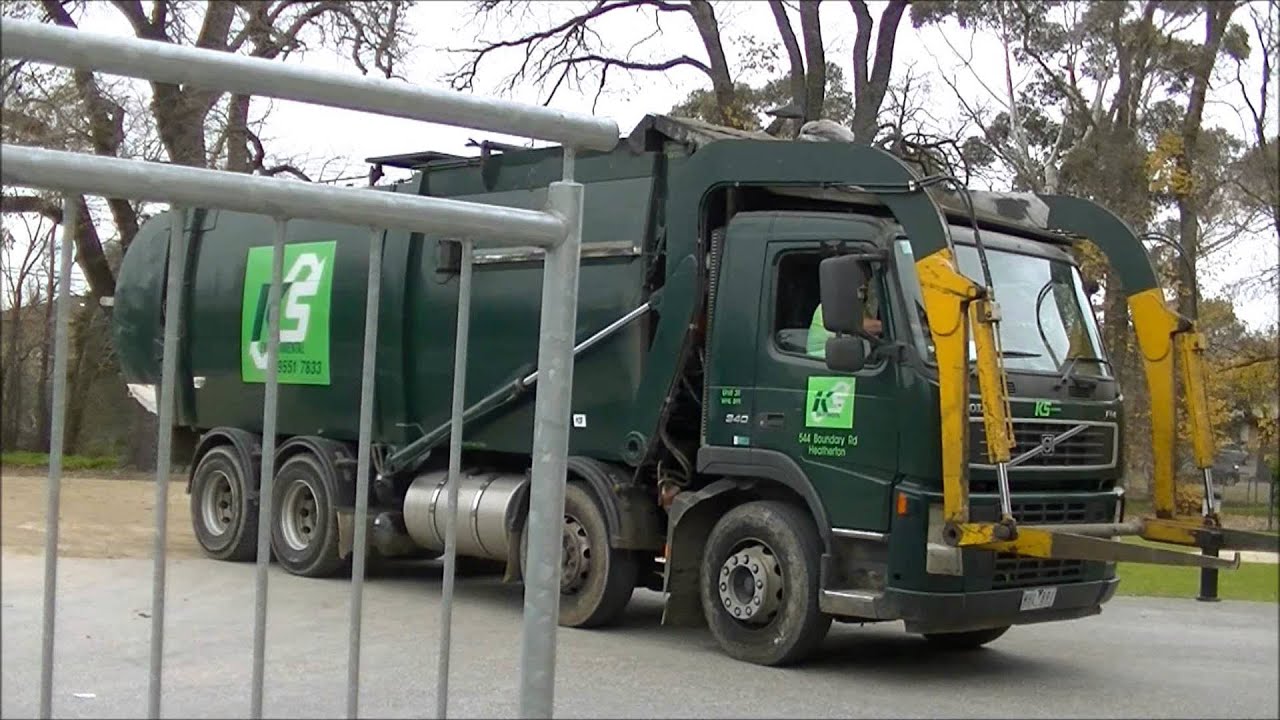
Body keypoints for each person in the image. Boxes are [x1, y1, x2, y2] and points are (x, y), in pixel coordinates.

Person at [806, 279, 882, 358]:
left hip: (844, 359)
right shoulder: (832, 304)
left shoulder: (860, 307)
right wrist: (889, 326)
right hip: (822, 362)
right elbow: (858, 325)